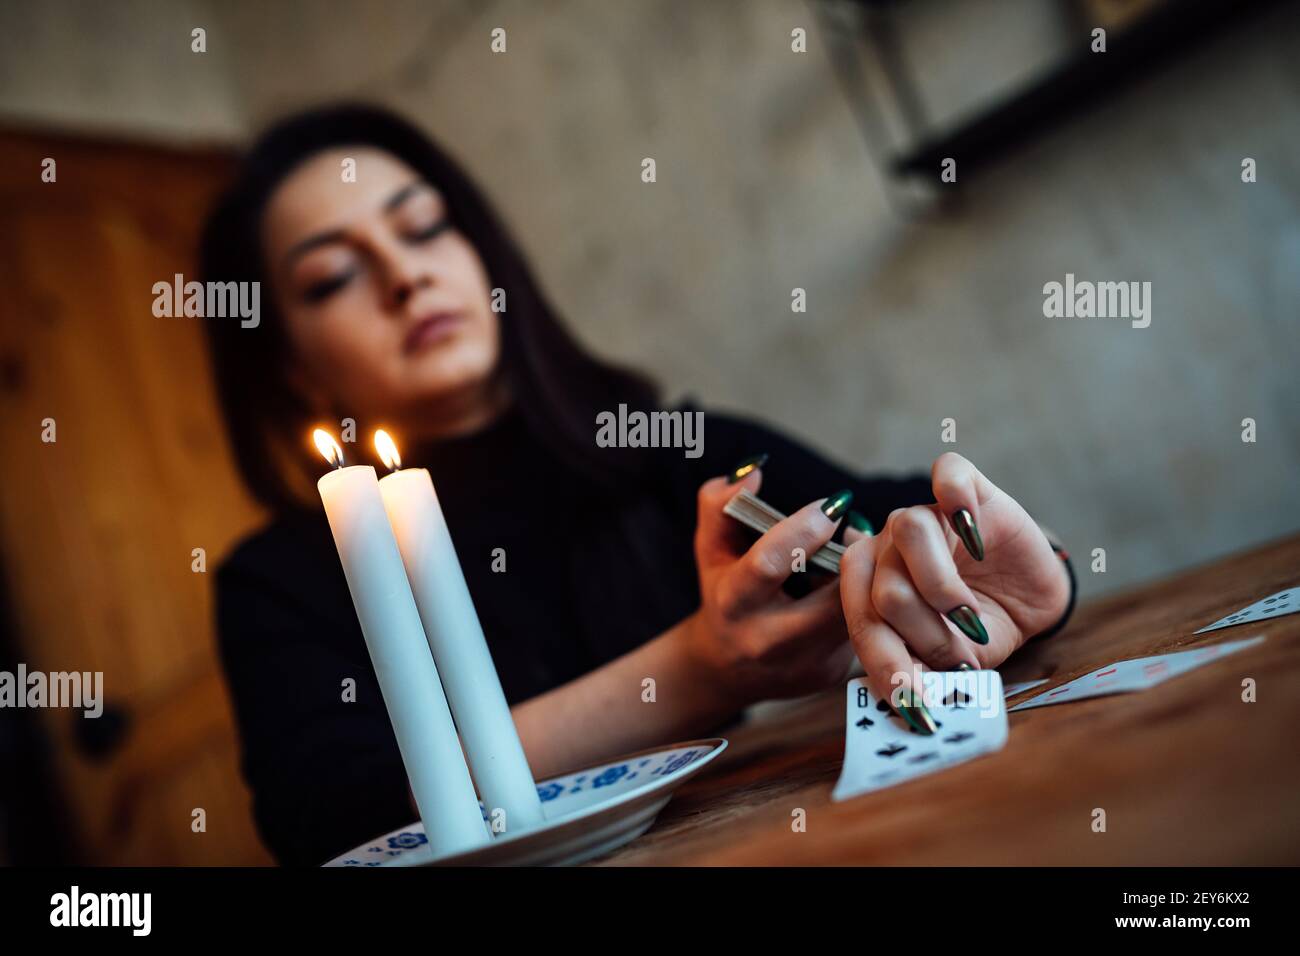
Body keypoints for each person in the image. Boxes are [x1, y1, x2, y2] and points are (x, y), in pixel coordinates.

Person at [202, 104, 1075, 866]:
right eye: (331, 278)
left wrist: (1012, 585)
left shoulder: (673, 454)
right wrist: (704, 668)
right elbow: (327, 815)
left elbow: (908, 526)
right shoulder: (282, 581)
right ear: (289, 363)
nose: (403, 276)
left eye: (423, 227)